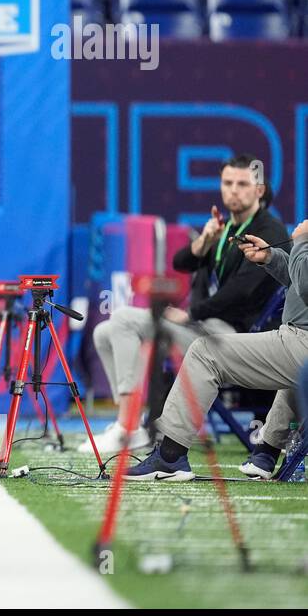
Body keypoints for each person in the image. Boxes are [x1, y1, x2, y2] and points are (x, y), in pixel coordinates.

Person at [86, 155, 284, 454]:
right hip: (203, 327)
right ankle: (133, 421)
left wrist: (189, 313)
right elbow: (181, 262)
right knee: (104, 332)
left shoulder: (269, 231)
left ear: (259, 190)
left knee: (125, 318)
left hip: (236, 336)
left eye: (242, 184)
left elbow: (241, 292)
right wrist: (204, 241)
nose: (233, 190)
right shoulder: (222, 229)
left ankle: (129, 427)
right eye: (227, 183)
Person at [125, 218, 308, 481]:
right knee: (289, 375)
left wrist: (302, 241)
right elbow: (298, 282)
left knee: (205, 352)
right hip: (298, 340)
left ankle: (169, 456)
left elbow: (306, 287)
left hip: (301, 340)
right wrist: (270, 257)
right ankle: (266, 453)